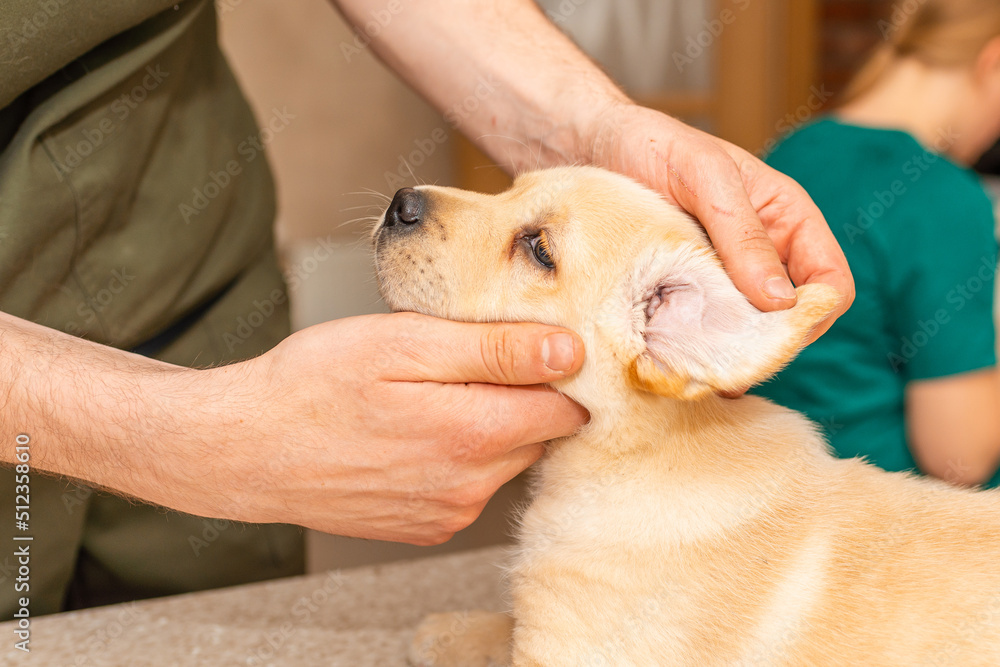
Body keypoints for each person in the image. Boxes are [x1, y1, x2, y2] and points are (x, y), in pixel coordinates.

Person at [0, 0, 853, 616]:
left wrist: (584, 126)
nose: (426, 200)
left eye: (536, 242)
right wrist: (192, 439)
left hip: (172, 257)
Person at [756, 0, 1000, 488]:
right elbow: (959, 457)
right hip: (889, 524)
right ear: (992, 61)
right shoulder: (941, 194)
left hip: (781, 495)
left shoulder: (788, 151)